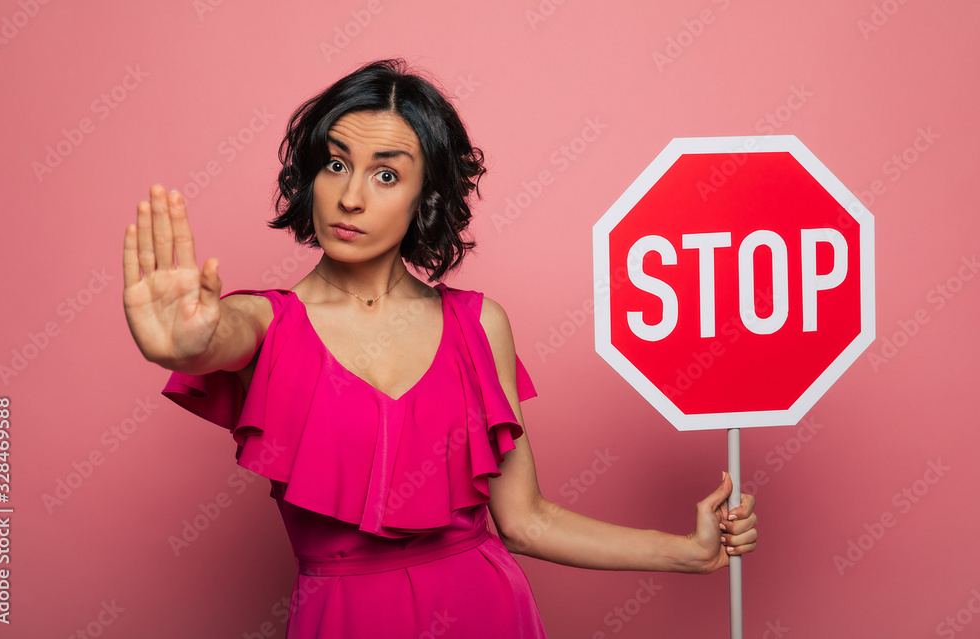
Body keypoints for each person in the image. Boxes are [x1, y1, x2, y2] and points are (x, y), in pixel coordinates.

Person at [122, 58, 757, 638]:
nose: (350, 196)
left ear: (426, 199)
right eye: (336, 164)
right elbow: (221, 336)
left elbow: (526, 520)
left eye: (387, 174)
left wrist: (688, 550)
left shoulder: (478, 325)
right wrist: (190, 345)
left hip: (488, 614)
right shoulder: (268, 322)